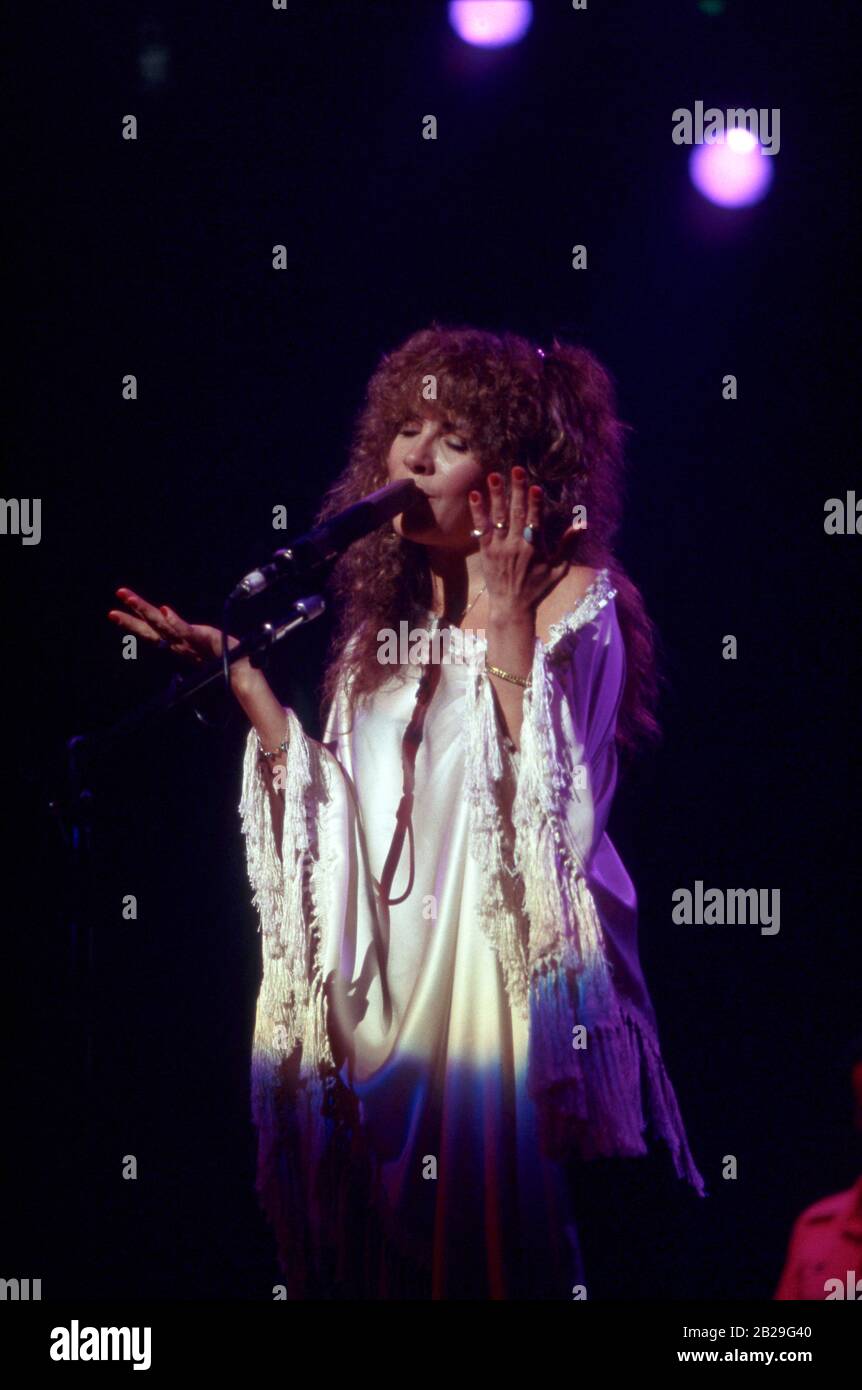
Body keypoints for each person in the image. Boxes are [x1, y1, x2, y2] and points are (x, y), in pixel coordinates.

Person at [108, 323, 706, 1300]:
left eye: (451, 438)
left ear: (519, 477)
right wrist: (251, 690)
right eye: (405, 429)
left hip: (493, 1012)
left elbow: (550, 810)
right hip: (384, 1012)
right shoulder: (371, 649)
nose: (413, 457)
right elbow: (351, 835)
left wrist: (504, 619)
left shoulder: (582, 605)